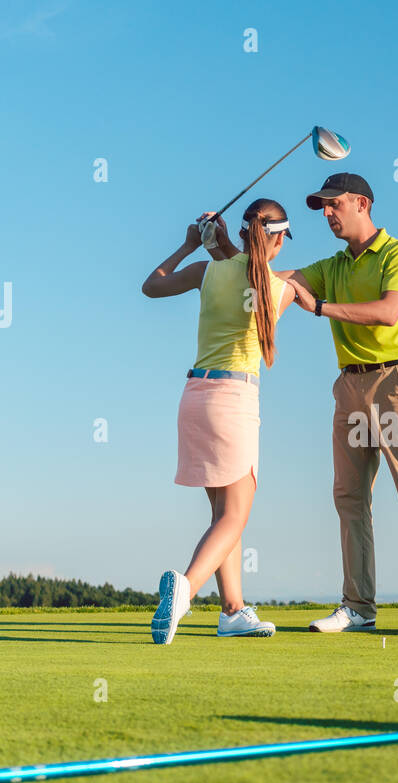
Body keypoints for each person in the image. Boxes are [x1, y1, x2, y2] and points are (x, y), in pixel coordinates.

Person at [206, 173, 398, 635]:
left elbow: (388, 313)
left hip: (397, 379)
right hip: (349, 387)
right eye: (322, 207)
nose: (326, 214)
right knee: (348, 498)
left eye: (333, 204)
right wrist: (225, 246)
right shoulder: (333, 265)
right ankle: (359, 606)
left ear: (362, 203)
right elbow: (264, 279)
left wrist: (321, 307)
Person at [139, 199, 295, 644]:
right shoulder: (278, 287)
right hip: (234, 401)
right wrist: (221, 244)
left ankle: (232, 611)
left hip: (194, 398)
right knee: (236, 516)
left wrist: (192, 245)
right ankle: (186, 590)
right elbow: (250, 272)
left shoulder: (208, 272)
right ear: (278, 238)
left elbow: (152, 286)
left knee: (221, 514)